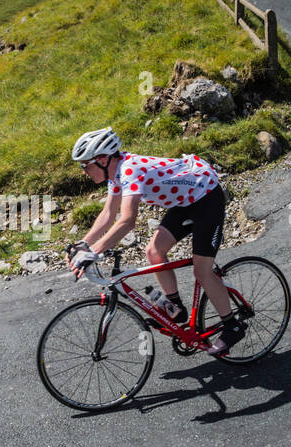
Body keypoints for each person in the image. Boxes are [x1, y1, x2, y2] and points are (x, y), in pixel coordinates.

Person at [66, 126, 245, 356]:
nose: (83, 171)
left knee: (202, 271)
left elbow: (127, 221)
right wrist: (84, 245)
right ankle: (177, 309)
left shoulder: (130, 169)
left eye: (85, 165)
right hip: (185, 202)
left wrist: (94, 252)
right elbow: (108, 214)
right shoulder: (115, 173)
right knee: (154, 251)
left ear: (102, 159)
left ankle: (233, 325)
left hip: (207, 197)